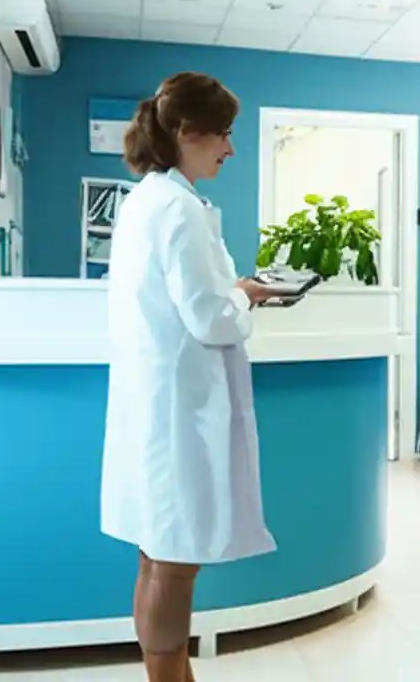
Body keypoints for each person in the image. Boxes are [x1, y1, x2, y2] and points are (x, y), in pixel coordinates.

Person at [100, 71, 279, 682]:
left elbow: (189, 300)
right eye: (223, 134)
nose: (230, 148)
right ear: (185, 132)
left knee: (158, 555)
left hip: (158, 404)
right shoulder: (177, 207)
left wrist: (234, 291)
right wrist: (245, 298)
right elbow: (209, 318)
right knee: (174, 562)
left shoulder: (150, 200)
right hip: (180, 412)